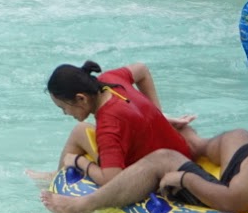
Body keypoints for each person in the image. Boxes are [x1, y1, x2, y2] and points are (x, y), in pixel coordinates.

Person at [41, 67, 248, 213]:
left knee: (163, 156)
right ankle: (196, 144)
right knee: (237, 135)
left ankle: (83, 206)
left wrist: (184, 176)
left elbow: (232, 201)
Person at [45, 61, 193, 187]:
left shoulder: (108, 126)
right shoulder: (110, 80)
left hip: (163, 175)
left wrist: (79, 161)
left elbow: (111, 180)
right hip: (183, 155)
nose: (65, 113)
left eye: (63, 108)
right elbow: (142, 70)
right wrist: (157, 114)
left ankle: (56, 178)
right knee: (81, 130)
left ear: (81, 99)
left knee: (79, 132)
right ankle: (55, 174)